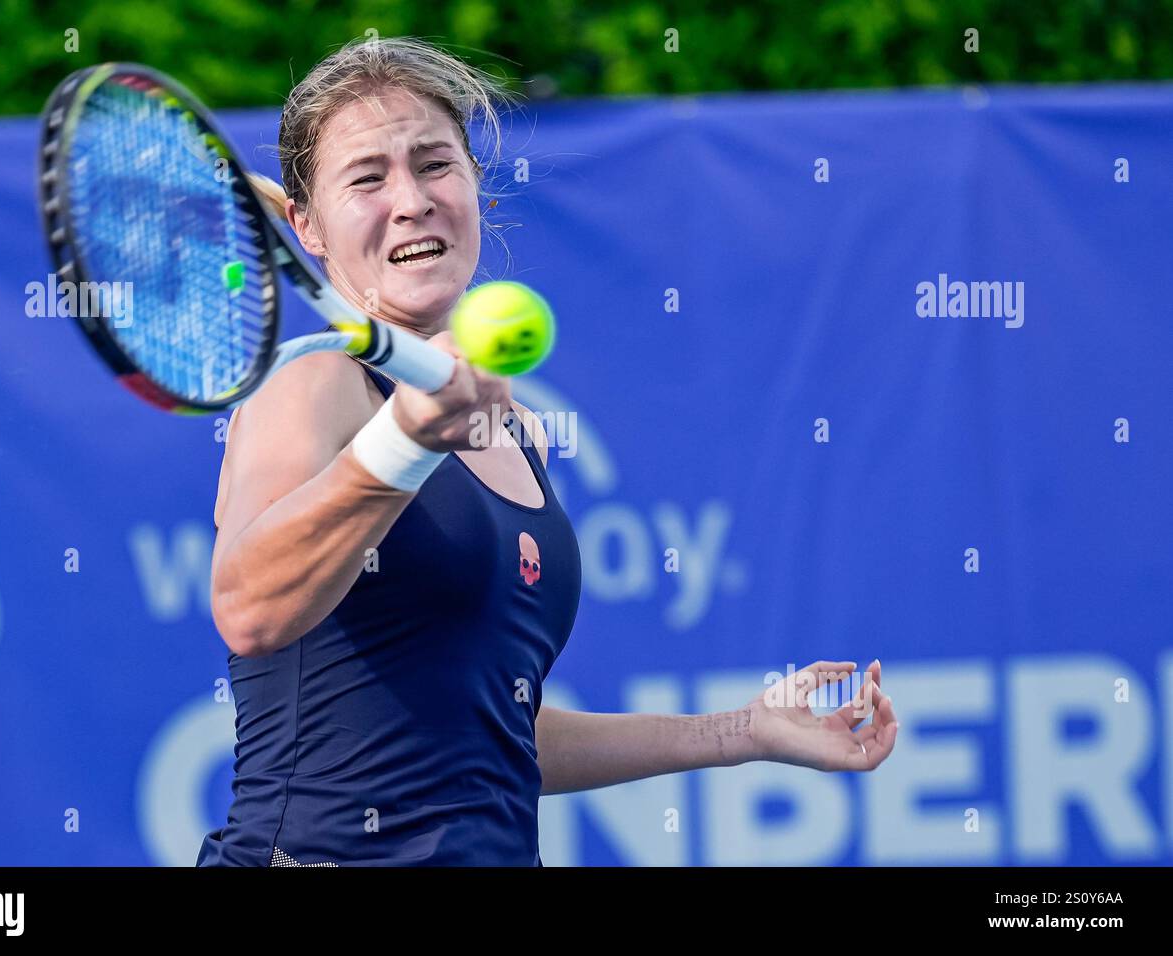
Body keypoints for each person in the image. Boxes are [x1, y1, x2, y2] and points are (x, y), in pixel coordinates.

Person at [197, 36, 899, 867]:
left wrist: (742, 731)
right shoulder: (313, 385)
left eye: (434, 164)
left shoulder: (515, 429)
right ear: (305, 229)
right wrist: (402, 444)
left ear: (475, 189)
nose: (412, 199)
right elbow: (251, 611)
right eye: (367, 178)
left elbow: (494, 730)